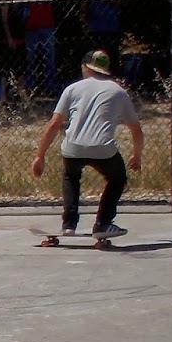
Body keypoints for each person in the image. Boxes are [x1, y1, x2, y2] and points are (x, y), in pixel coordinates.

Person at [30, 50, 143, 239]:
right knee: (117, 179)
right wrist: (136, 155)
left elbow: (54, 124)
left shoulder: (72, 89)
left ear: (85, 67)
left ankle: (68, 224)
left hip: (72, 146)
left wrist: (40, 155)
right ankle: (103, 223)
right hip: (103, 148)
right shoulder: (118, 91)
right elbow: (136, 129)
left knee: (71, 177)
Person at [77, 0, 127, 74]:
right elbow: (82, 4)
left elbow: (123, 0)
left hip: (111, 26)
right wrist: (84, 22)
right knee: (93, 58)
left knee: (112, 57)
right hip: (94, 27)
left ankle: (113, 79)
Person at [20, 0, 59, 95]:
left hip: (47, 25)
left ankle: (50, 87)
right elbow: (26, 0)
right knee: (31, 58)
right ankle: (31, 88)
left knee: (50, 57)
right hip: (31, 25)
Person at [0, 0, 28, 99]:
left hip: (21, 36)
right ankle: (3, 96)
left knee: (21, 67)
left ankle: (22, 93)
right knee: (6, 67)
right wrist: (9, 37)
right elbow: (4, 19)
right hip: (10, 38)